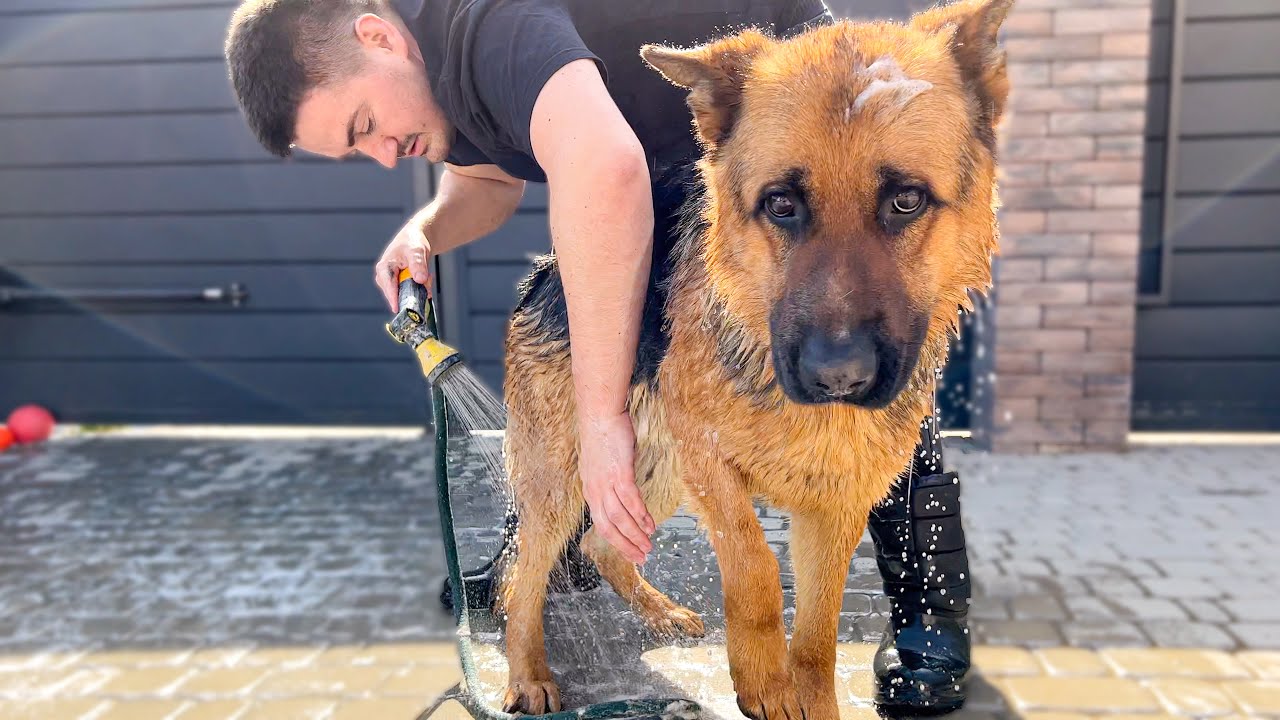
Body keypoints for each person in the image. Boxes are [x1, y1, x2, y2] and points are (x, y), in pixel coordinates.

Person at [223, 0, 975, 711]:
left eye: (366, 124)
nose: (385, 156)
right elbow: (489, 184)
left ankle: (927, 610)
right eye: (357, 151)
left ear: (377, 38)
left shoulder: (486, 29)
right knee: (626, 432)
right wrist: (423, 232)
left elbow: (606, 171)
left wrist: (601, 420)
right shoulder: (442, 84)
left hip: (783, 95)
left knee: (870, 358)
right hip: (676, 171)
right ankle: (557, 543)